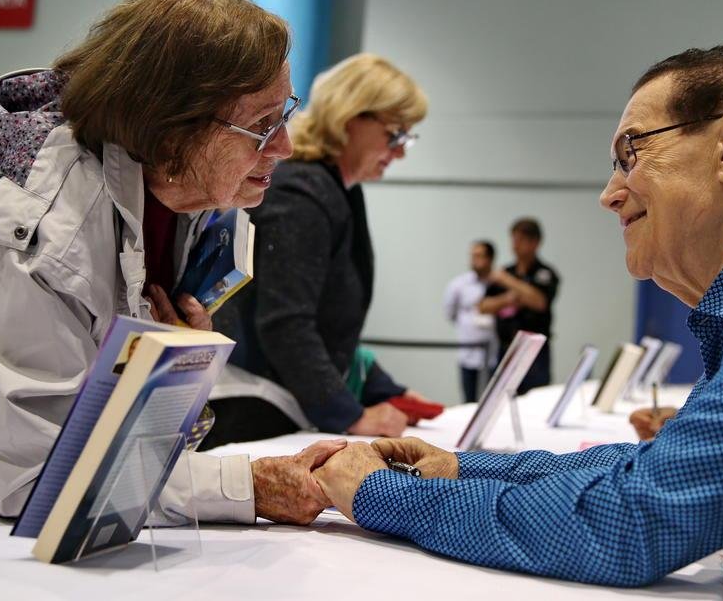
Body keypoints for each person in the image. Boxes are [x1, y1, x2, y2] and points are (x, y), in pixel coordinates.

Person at [312, 43, 723, 599]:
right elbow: (654, 467)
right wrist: (459, 467)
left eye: (630, 154)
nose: (610, 194)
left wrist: (377, 494)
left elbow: (633, 520)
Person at [0, 0, 346, 527]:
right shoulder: (44, 221)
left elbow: (103, 428)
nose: (286, 146)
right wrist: (250, 487)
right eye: (262, 126)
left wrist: (176, 375)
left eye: (284, 114)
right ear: (173, 130)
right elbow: (32, 472)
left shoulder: (182, 194)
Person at [204, 53, 438, 446]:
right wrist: (350, 415)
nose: (400, 152)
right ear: (351, 118)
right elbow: (286, 324)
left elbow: (331, 325)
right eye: (395, 135)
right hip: (255, 411)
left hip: (276, 403)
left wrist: (385, 390)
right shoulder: (301, 195)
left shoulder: (331, 190)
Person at [479, 217, 559, 394]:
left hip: (534, 352)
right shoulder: (506, 271)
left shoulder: (544, 273)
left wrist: (508, 282)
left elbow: (540, 302)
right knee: (500, 396)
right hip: (506, 348)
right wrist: (508, 299)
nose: (515, 245)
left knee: (535, 398)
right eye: (514, 239)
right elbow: (483, 306)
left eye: (521, 240)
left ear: (535, 242)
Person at [442, 240, 497, 402]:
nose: (474, 260)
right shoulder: (459, 285)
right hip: (467, 352)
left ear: (490, 258)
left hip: (492, 353)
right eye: (473, 256)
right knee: (468, 401)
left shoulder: (499, 283)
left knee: (492, 400)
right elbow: (450, 312)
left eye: (479, 256)